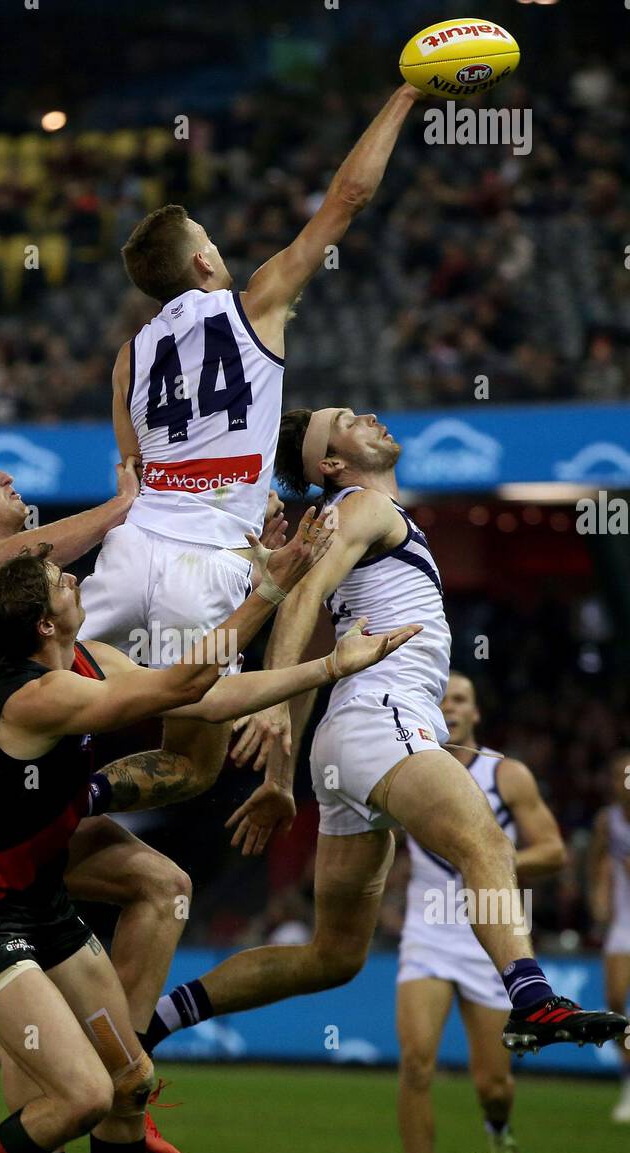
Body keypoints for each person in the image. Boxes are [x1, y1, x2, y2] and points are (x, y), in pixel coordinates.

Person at [0, 514, 418, 1153]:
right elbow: (179, 686)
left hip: (46, 912)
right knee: (82, 1095)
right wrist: (266, 592)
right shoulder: (39, 696)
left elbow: (213, 698)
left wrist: (329, 668)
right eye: (63, 584)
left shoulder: (86, 658)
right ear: (43, 621)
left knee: (129, 1080)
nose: (78, 582)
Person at [139, 405, 628, 1060]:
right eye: (346, 420)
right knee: (484, 838)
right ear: (332, 465)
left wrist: (283, 777)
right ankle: (531, 998)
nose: (366, 415)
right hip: (382, 714)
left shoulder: (362, 526)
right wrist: (273, 702)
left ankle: (155, 1021)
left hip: (347, 738)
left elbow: (312, 637)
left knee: (333, 956)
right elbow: (301, 601)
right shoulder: (361, 505)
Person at [75, 84, 424, 815]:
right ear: (204, 263)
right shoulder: (257, 301)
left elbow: (130, 476)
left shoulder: (127, 357)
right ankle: (77, 800)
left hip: (130, 547)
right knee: (192, 761)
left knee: (47, 689)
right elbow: (348, 197)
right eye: (213, 242)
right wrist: (406, 93)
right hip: (204, 567)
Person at [395, 672, 567, 1153]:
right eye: (442, 696)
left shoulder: (506, 774)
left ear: (476, 713)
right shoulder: (400, 766)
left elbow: (555, 850)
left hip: (492, 932)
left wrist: (488, 858)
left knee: (493, 1084)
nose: (452, 705)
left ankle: (499, 1130)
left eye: (462, 697)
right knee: (416, 1063)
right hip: (427, 932)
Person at [588, 749, 630, 1122]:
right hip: (623, 925)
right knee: (615, 1004)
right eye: (618, 775)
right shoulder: (609, 821)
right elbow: (598, 861)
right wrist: (598, 897)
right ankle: (628, 1083)